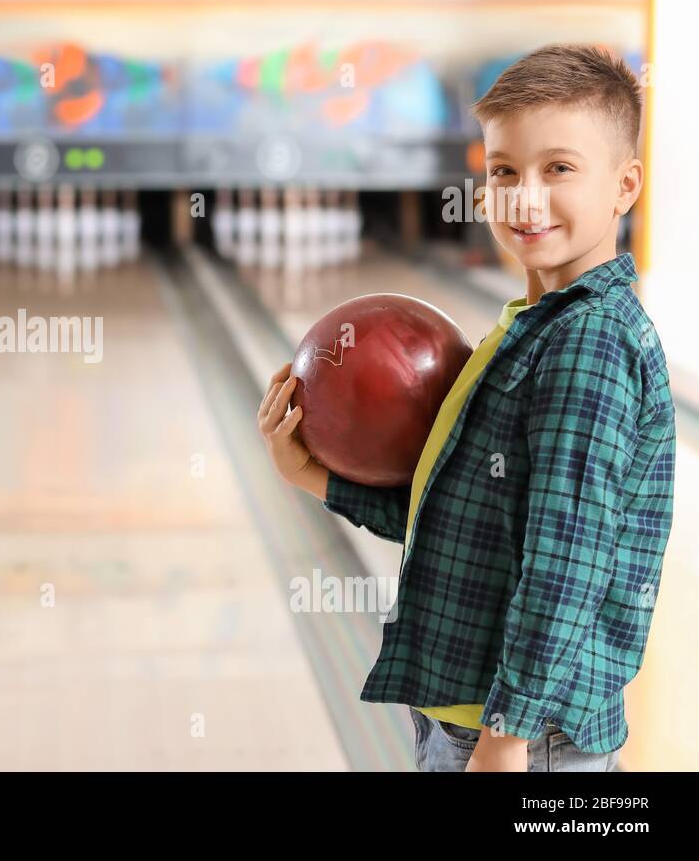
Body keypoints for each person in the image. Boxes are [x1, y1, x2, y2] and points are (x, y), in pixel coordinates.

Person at [260, 44, 675, 772]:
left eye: (560, 168)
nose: (525, 195)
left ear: (625, 185)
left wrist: (506, 738)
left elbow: (564, 562)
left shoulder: (588, 345)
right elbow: (465, 517)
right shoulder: (529, 328)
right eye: (504, 170)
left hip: (525, 737)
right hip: (478, 720)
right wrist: (315, 478)